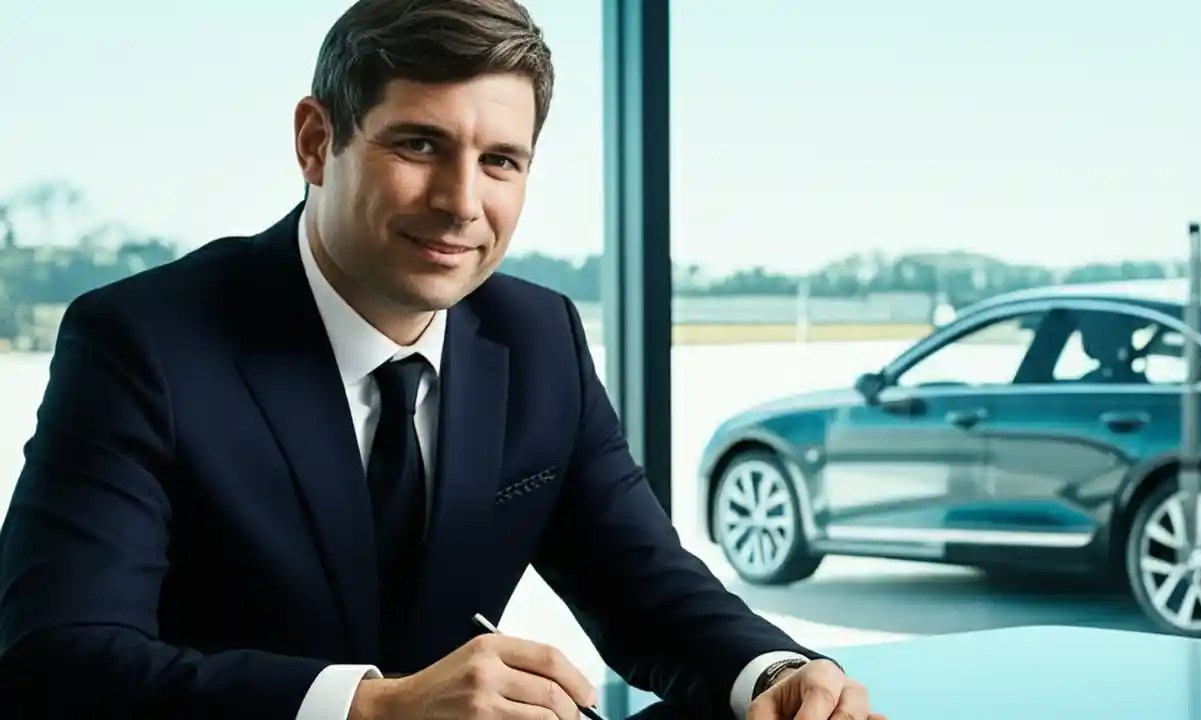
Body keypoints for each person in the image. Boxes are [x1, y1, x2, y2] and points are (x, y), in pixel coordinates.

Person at [0, 1, 885, 718]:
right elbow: (58, 658)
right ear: (316, 141)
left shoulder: (540, 339)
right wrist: (368, 709)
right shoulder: (141, 342)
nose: (463, 202)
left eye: (500, 160)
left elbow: (645, 588)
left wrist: (773, 673)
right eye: (420, 144)